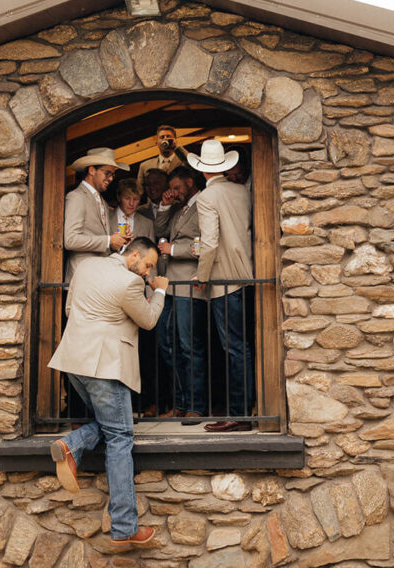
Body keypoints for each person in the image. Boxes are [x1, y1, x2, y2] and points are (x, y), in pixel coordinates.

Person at [48, 237, 168, 552]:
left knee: (112, 425)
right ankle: (124, 528)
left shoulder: (86, 266)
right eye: (148, 265)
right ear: (136, 255)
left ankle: (71, 445)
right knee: (120, 438)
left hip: (74, 361)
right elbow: (149, 320)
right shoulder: (129, 283)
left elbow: (69, 306)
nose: (147, 271)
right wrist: (160, 289)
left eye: (151, 270)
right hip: (103, 366)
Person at [190, 139, 255, 432]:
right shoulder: (241, 191)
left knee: (233, 349)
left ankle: (239, 414)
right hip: (247, 274)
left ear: (203, 170)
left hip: (224, 280)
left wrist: (202, 276)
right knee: (242, 348)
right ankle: (247, 409)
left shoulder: (207, 197)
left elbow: (210, 242)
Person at [155, 165, 207, 419]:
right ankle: (179, 403)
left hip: (189, 284)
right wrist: (164, 205)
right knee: (166, 344)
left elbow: (203, 245)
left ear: (190, 182)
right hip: (169, 284)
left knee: (189, 346)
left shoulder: (202, 205)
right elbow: (159, 230)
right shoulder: (177, 208)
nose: (173, 192)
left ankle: (196, 406)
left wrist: (173, 250)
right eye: (171, 188)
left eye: (177, 187)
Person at [64, 148, 128, 280]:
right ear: (92, 170)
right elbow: (70, 240)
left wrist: (118, 241)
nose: (110, 179)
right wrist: (109, 240)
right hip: (81, 278)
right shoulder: (76, 197)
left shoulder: (103, 201)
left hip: (98, 277)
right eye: (107, 173)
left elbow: (104, 243)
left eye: (113, 174)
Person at [136, 124, 188, 190]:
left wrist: (176, 147)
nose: (165, 139)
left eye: (168, 136)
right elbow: (139, 190)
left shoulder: (182, 162)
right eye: (162, 137)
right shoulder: (145, 166)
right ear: (157, 143)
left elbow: (192, 164)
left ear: (175, 140)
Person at [111, 176, 154, 245]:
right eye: (127, 198)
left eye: (135, 199)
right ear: (119, 197)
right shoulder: (106, 217)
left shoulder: (148, 224)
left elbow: (151, 252)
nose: (131, 203)